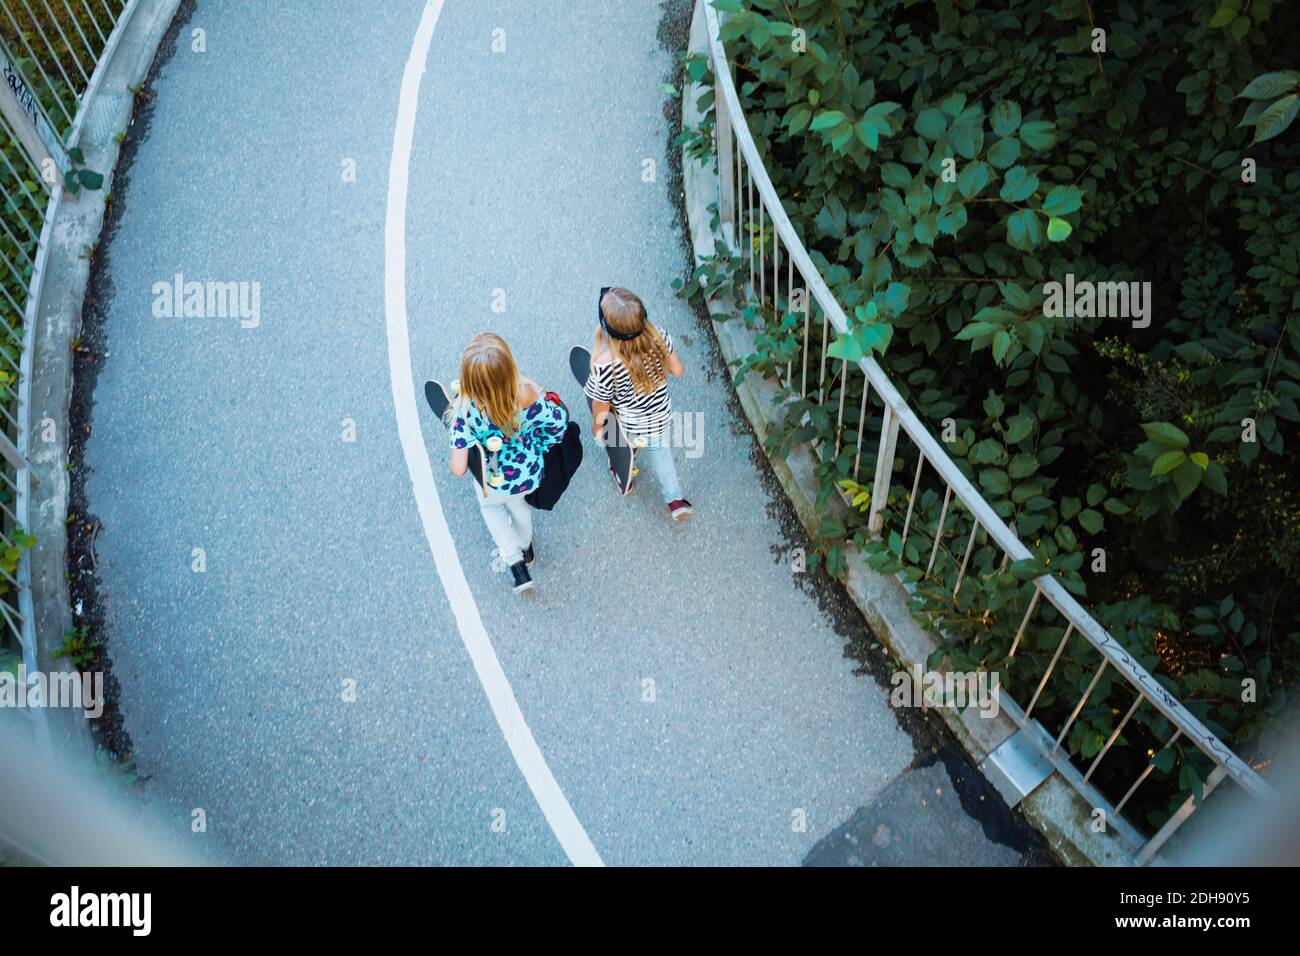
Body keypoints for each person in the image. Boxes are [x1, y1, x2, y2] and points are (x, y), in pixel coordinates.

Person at [446, 333, 568, 593]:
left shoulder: (464, 410)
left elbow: (458, 468)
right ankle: (525, 548)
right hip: (526, 475)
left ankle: (516, 565)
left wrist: (458, 439)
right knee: (521, 511)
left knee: (493, 512)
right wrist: (539, 392)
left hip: (491, 481)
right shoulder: (525, 397)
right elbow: (558, 423)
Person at [585, 287, 692, 520]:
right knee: (661, 452)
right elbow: (678, 370)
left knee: (626, 448)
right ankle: (675, 500)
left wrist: (597, 428)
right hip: (660, 416)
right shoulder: (659, 337)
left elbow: (601, 407)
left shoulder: (605, 365)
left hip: (630, 424)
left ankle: (627, 470)